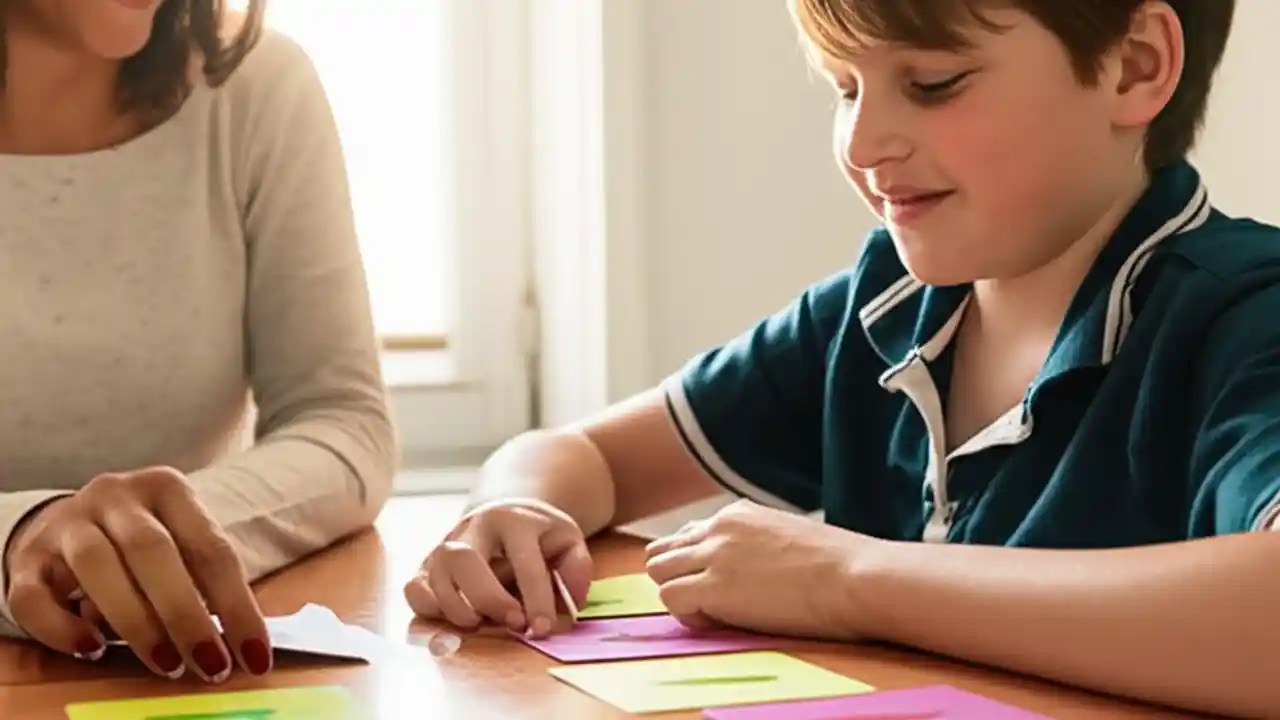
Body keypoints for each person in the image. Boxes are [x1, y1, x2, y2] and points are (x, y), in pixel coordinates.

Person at [406, 0, 1280, 716]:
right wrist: (515, 506)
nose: (864, 147)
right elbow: (585, 455)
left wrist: (850, 580)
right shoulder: (879, 308)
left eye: (933, 83)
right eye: (844, 88)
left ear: (1134, 66)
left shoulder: (1244, 315)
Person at [0, 0, 397, 685]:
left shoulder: (252, 87)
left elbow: (342, 421)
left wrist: (160, 543)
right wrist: (21, 535)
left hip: (176, 676)